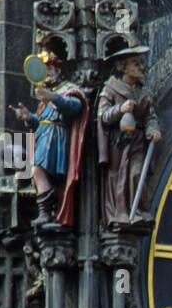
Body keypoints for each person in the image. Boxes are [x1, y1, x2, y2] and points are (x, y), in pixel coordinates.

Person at [11, 52, 88, 226]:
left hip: (57, 138)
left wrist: (53, 97)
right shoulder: (45, 98)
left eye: (50, 69)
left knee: (38, 170)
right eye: (44, 70)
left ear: (58, 71)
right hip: (44, 137)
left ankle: (47, 210)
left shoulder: (67, 90)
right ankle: (48, 210)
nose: (47, 73)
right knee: (38, 172)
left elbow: (76, 107)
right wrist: (28, 117)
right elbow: (40, 122)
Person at [98, 45, 162, 227]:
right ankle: (121, 212)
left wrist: (152, 129)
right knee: (120, 176)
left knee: (136, 173)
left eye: (140, 63)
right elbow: (102, 116)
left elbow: (150, 116)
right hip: (119, 143)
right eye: (135, 64)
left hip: (138, 141)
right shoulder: (110, 88)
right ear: (122, 68)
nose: (141, 67)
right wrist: (120, 109)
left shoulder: (142, 93)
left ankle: (139, 210)